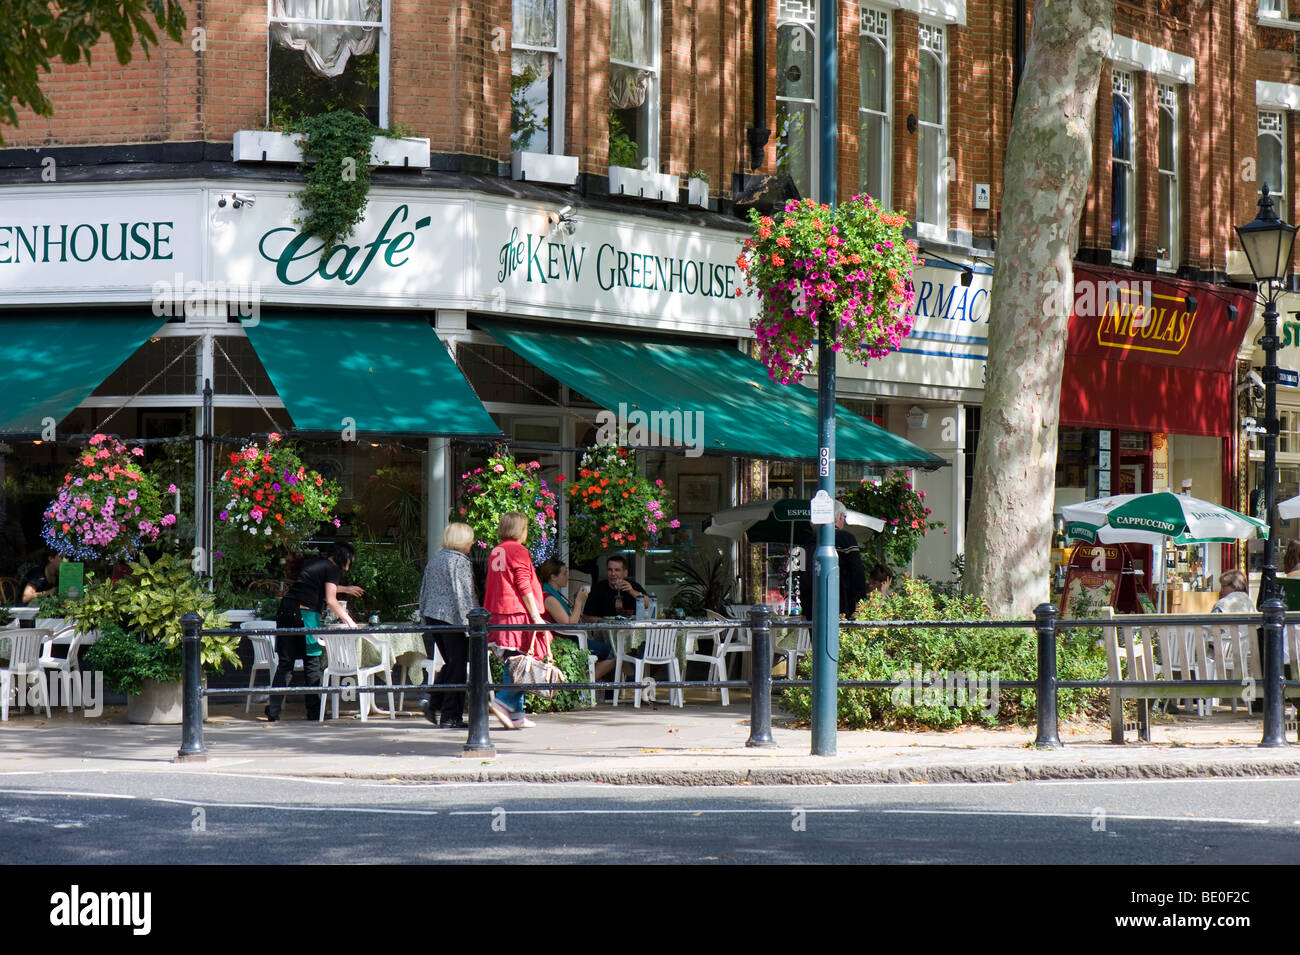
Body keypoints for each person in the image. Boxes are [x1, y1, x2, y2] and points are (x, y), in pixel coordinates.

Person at [265, 542, 364, 722]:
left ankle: (273, 710)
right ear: (344, 557)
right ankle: (314, 712)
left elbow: (320, 586)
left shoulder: (317, 564)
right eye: (350, 560)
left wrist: (346, 589)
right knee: (311, 661)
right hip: (304, 613)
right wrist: (350, 622)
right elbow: (331, 600)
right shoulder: (333, 569)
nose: (350, 564)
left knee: (285, 664)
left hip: (285, 610)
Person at [483, 511, 551, 730]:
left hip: (499, 611)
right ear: (520, 529)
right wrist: (535, 616)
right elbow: (523, 584)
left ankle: (517, 714)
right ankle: (504, 702)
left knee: (513, 661)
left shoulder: (497, 550)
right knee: (521, 661)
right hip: (516, 613)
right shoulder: (518, 550)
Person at [417, 522, 478, 729]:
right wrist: (472, 622)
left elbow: (424, 589)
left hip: (434, 616)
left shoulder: (436, 559)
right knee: (458, 664)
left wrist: (424, 614)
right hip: (453, 618)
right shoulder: (459, 561)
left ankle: (433, 700)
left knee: (452, 662)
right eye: (470, 539)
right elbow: (464, 595)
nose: (472, 543)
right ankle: (450, 716)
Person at [539, 557, 615, 680]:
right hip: (566, 642)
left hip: (570, 639)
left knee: (607, 649)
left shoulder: (553, 594)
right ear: (553, 576)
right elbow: (569, 625)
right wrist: (579, 601)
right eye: (564, 573)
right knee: (613, 653)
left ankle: (582, 682)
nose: (567, 576)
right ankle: (583, 683)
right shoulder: (549, 598)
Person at [798, 503, 868, 621]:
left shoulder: (806, 543)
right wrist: (861, 600)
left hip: (813, 607)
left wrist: (805, 608)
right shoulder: (846, 539)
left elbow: (803, 576)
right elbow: (857, 572)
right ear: (840, 516)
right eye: (844, 518)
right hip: (843, 604)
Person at [581, 555, 651, 621]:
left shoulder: (633, 586)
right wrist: (608, 622)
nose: (613, 574)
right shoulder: (598, 588)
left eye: (617, 570)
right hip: (605, 630)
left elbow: (650, 604)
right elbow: (586, 617)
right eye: (610, 570)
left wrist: (631, 591)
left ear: (625, 573)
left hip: (630, 630)